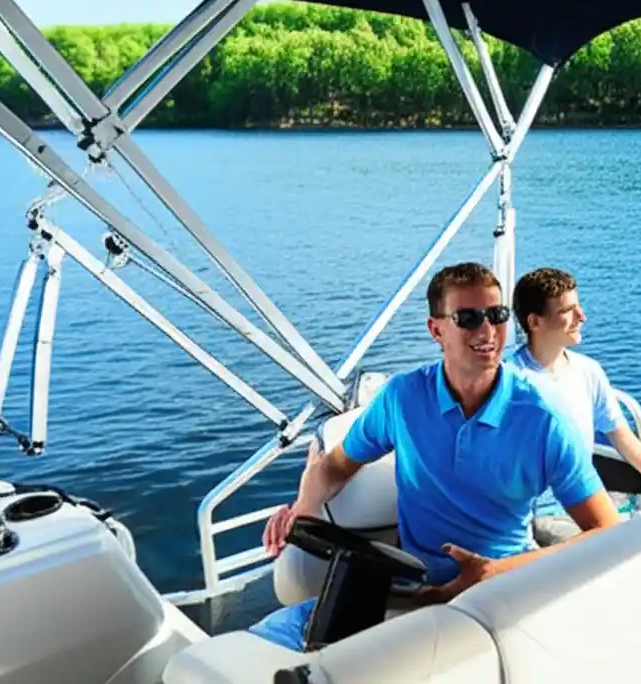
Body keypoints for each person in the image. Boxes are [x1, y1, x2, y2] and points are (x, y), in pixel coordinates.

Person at [259, 263, 621, 637]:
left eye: (497, 315)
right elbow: (335, 466)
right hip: (410, 590)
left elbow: (607, 528)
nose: (487, 330)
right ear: (436, 330)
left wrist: (495, 572)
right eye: (468, 318)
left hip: (505, 590)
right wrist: (301, 511)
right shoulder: (402, 398)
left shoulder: (543, 421)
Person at [509, 267, 641, 509]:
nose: (582, 317)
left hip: (586, 502)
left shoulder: (588, 371)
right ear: (535, 321)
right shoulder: (509, 381)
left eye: (578, 306)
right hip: (538, 513)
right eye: (567, 310)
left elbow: (624, 440)